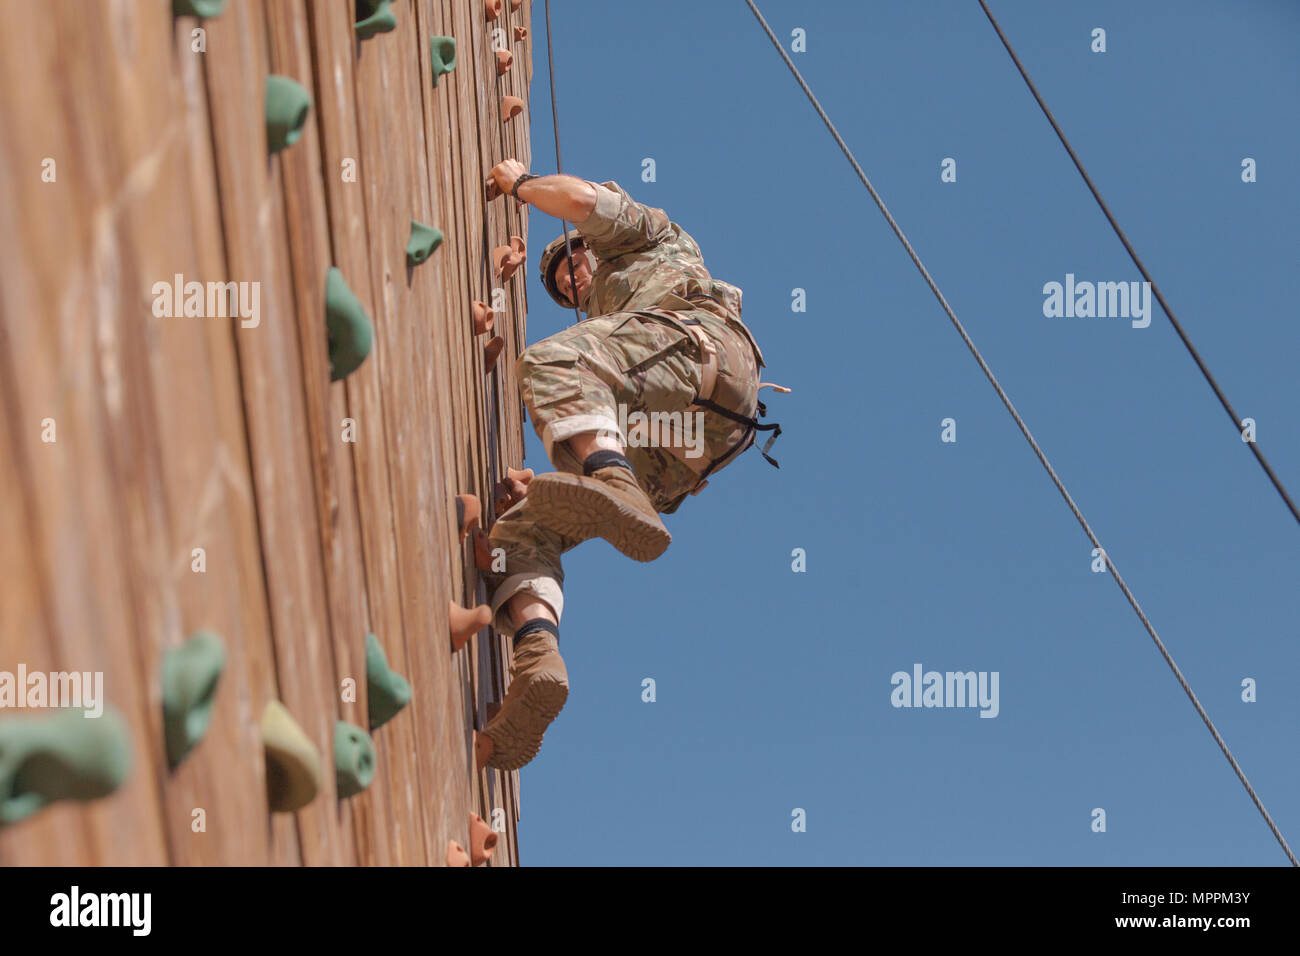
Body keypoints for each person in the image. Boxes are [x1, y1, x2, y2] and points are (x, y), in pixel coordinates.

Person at [475, 159, 785, 770]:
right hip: (689, 444)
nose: (570, 283)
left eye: (571, 264)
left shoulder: (649, 237)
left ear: (590, 247)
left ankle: (613, 480)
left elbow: (582, 201)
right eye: (561, 287)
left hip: (703, 350)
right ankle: (539, 657)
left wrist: (518, 185)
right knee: (520, 532)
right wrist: (544, 482)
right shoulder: (609, 322)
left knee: (553, 363)